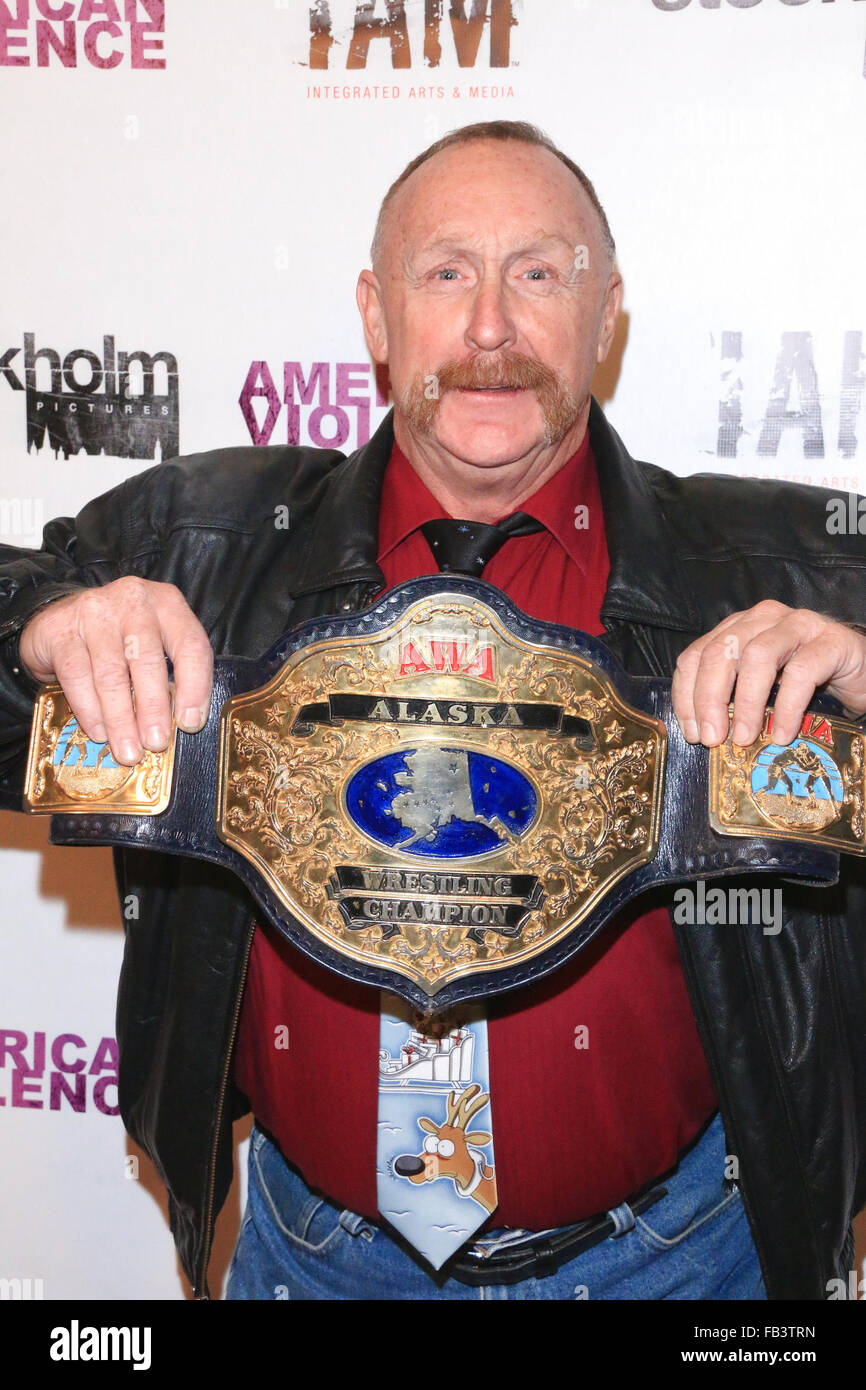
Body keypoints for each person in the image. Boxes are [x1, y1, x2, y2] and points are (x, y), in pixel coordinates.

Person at [1, 119, 864, 1301]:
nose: (490, 328)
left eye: (538, 274)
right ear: (375, 314)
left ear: (606, 314)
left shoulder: (775, 567)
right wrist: (34, 636)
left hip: (680, 1264)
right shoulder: (204, 545)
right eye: (445, 272)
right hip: (316, 1261)